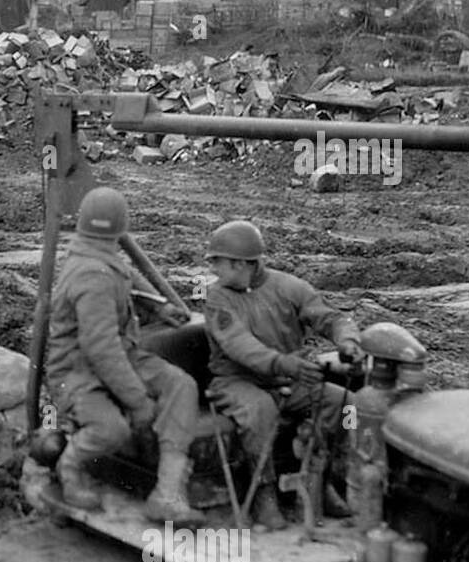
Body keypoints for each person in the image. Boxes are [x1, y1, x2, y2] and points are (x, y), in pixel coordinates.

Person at [47, 187, 201, 520]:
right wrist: (137, 400)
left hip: (119, 355)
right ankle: (69, 467)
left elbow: (124, 279)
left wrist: (158, 308)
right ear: (121, 227)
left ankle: (167, 493)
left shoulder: (96, 256)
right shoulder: (92, 274)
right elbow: (100, 349)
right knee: (111, 430)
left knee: (180, 385)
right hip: (77, 370)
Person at [203, 220, 362, 529]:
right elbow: (239, 345)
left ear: (239, 264)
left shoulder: (290, 287)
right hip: (236, 382)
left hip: (288, 379)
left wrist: (348, 341)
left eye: (217, 262)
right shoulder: (217, 298)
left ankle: (323, 478)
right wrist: (283, 364)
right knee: (260, 410)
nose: (213, 270)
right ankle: (264, 494)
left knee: (346, 406)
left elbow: (331, 317)